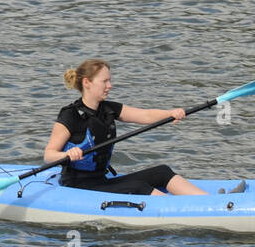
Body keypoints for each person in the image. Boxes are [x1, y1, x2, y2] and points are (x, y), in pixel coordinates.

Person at [44, 59, 210, 197]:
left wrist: (171, 113)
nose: (110, 85)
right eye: (105, 81)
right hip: (79, 187)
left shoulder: (109, 109)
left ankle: (209, 202)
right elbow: (49, 155)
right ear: (87, 83)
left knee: (162, 172)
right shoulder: (70, 115)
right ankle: (186, 210)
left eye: (109, 80)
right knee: (138, 187)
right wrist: (67, 154)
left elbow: (145, 116)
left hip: (101, 180)